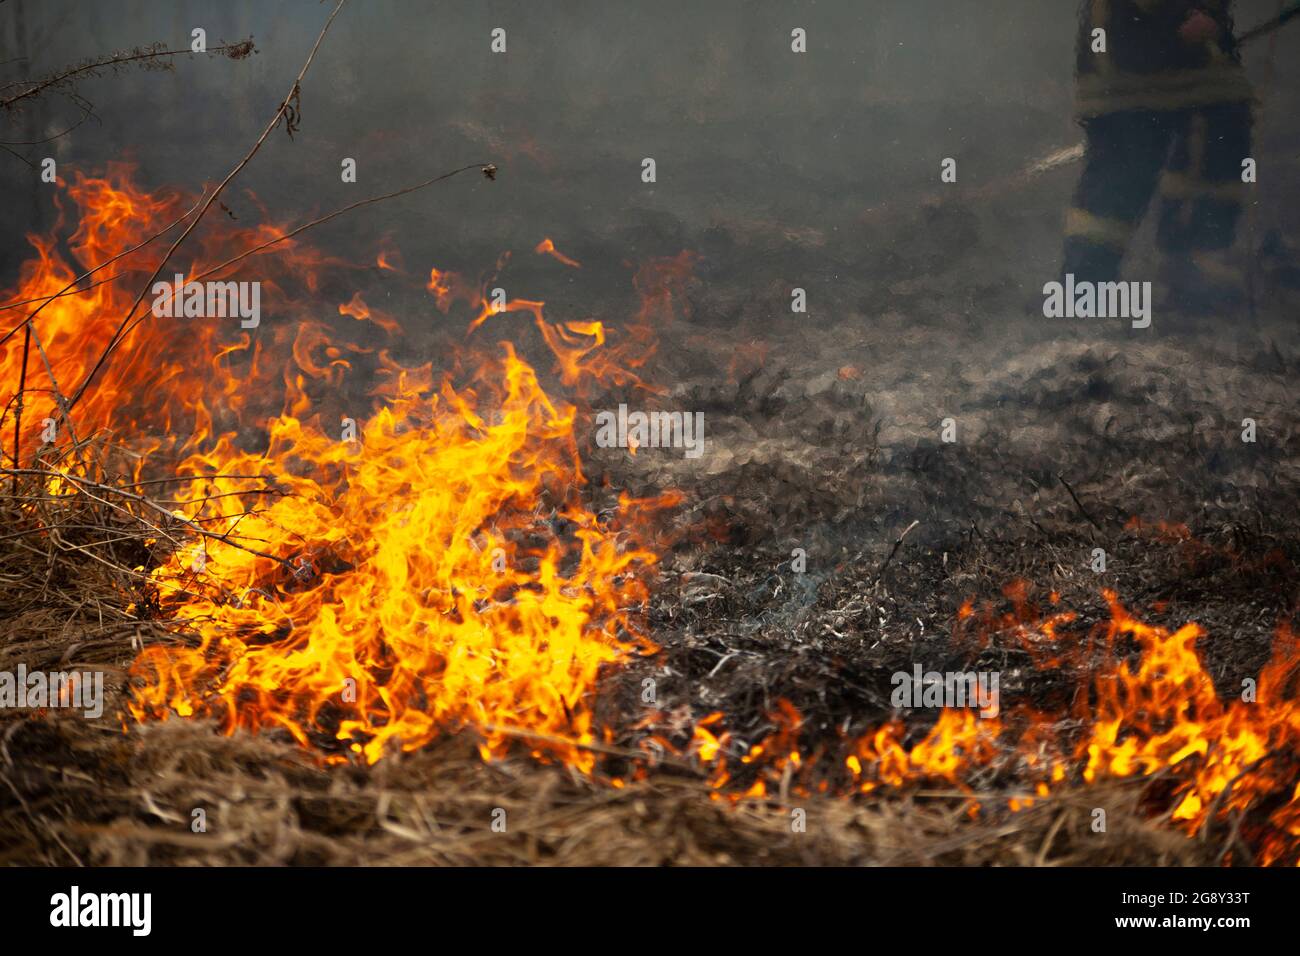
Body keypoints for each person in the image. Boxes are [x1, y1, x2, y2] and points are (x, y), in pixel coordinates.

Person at [1062, 1, 1254, 312]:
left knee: (1210, 146)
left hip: (1183, 70)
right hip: (1134, 68)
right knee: (1120, 178)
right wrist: (1181, 22)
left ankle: (1191, 268)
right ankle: (1086, 285)